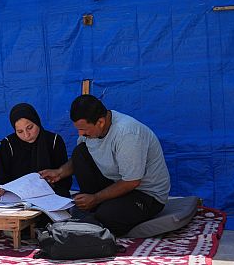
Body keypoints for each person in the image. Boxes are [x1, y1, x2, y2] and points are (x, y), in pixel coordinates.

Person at [40, 95, 170, 235]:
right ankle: (92, 209)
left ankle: (96, 212)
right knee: (80, 152)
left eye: (83, 129)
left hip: (145, 194)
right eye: (78, 129)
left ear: (100, 122)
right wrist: (59, 173)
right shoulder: (91, 130)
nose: (80, 133)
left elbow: (132, 182)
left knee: (106, 216)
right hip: (114, 182)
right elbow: (79, 158)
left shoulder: (127, 134)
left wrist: (96, 198)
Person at [0, 103, 72, 198]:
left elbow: (65, 180)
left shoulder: (54, 141)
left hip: (49, 197)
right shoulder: (8, 144)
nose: (26, 135)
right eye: (20, 132)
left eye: (30, 128)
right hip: (16, 200)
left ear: (36, 121)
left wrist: (50, 185)